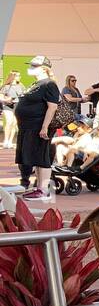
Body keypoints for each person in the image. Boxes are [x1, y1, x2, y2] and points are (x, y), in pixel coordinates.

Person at [13, 55, 61, 200]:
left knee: (42, 157)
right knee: (36, 158)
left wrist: (45, 127)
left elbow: (52, 107)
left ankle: (44, 190)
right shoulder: (36, 84)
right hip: (28, 126)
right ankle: (39, 187)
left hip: (38, 126)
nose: (30, 68)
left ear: (44, 69)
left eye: (34, 66)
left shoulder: (49, 84)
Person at [1, 71, 24, 149]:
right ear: (13, 76)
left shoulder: (20, 85)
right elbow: (1, 96)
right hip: (8, 105)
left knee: (14, 123)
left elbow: (24, 95)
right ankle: (6, 140)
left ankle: (10, 141)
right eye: (18, 75)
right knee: (9, 121)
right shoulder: (6, 86)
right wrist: (7, 99)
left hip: (17, 105)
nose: (19, 77)